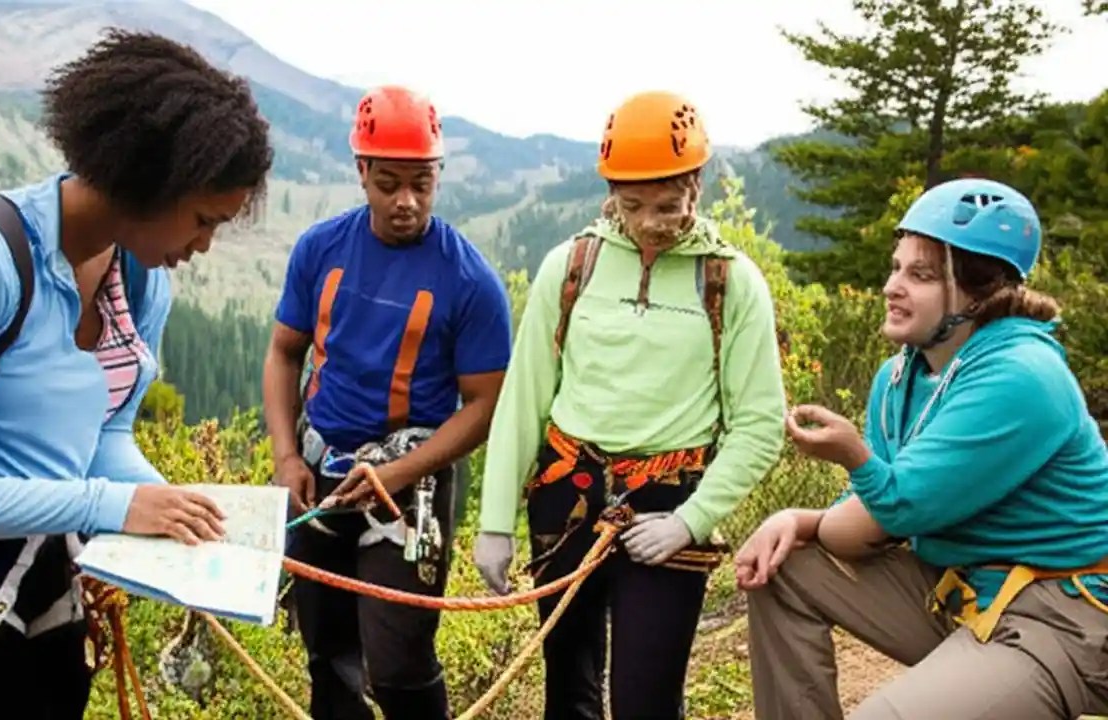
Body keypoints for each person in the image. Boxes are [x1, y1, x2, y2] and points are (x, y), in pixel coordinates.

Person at [0, 29, 274, 719]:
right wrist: (110, 506)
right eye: (201, 219)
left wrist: (174, 511)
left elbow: (102, 433)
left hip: (39, 581)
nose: (204, 245)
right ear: (146, 179)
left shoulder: (140, 279)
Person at [735, 177, 1108, 720]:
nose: (892, 286)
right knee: (783, 565)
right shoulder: (900, 378)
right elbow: (865, 530)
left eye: (921, 274)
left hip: (1059, 616)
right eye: (895, 267)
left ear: (978, 293)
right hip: (959, 593)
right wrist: (800, 518)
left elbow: (904, 505)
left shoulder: (1022, 376)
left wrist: (854, 456)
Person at [472, 90, 787, 720]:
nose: (649, 223)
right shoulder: (573, 266)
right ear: (610, 191)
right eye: (632, 204)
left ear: (697, 185)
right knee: (569, 690)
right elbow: (525, 397)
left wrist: (690, 521)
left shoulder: (729, 281)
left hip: (668, 502)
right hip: (566, 493)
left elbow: (759, 425)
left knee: (646, 699)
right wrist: (496, 521)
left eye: (667, 206)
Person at [262, 84, 513, 720]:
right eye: (388, 183)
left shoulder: (468, 279)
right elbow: (285, 352)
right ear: (362, 173)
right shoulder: (321, 249)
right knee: (328, 653)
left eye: (422, 184)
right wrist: (287, 455)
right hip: (320, 473)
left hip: (412, 484)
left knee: (397, 660)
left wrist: (397, 475)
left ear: (439, 175)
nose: (406, 202)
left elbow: (485, 404)